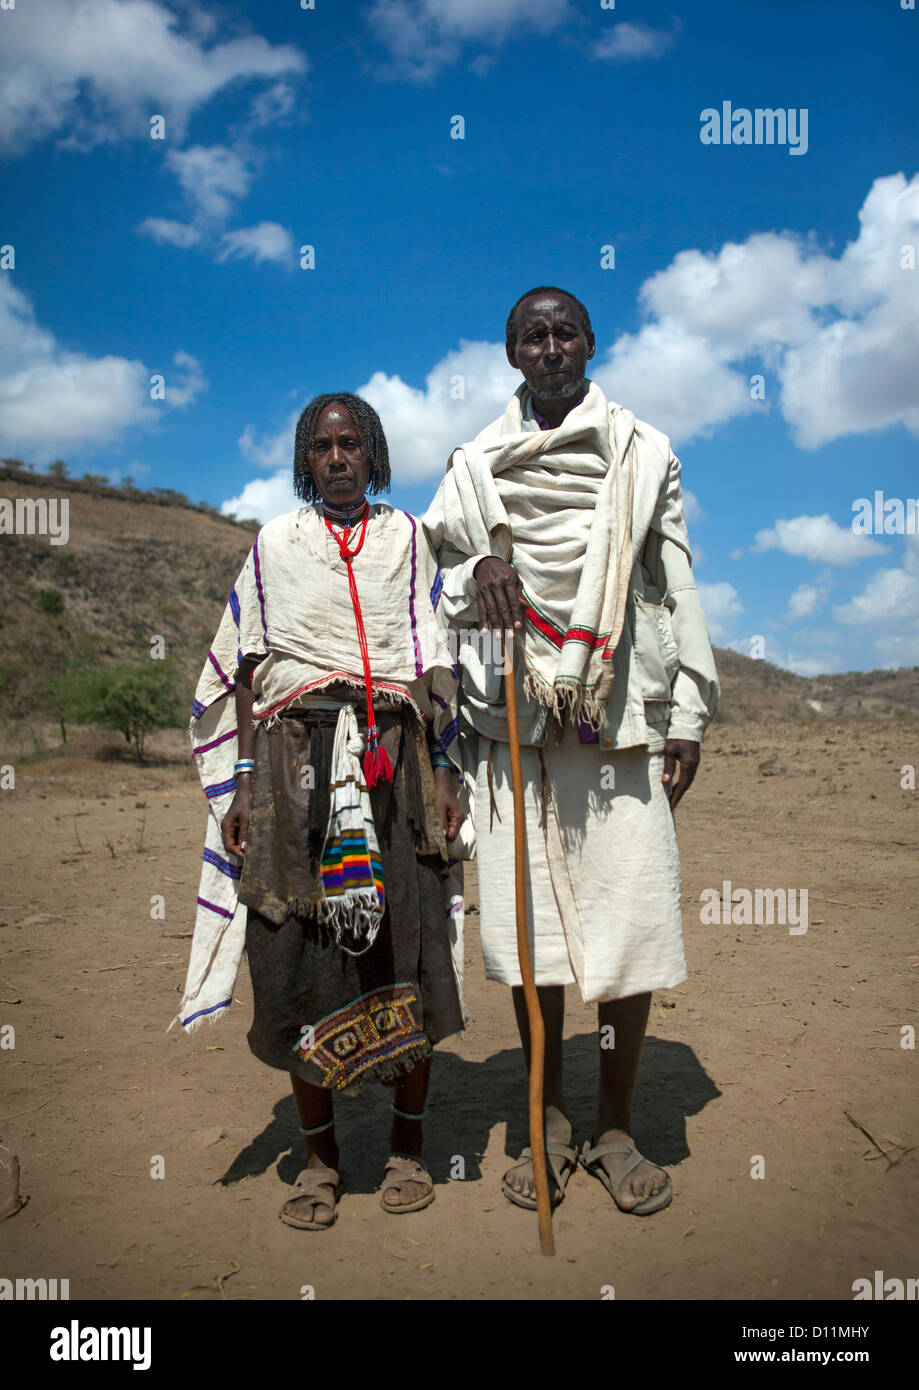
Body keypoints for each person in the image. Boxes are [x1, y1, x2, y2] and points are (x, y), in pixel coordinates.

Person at [423, 287, 719, 1216]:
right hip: (511, 720)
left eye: (563, 333)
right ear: (511, 353)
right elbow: (433, 573)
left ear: (589, 344)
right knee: (530, 931)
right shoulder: (472, 465)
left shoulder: (642, 452)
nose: (549, 348)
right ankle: (548, 1124)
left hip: (616, 712)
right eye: (531, 336)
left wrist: (688, 711)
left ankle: (616, 1128)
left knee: (627, 919)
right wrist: (479, 567)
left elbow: (672, 582)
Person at [171, 393, 466, 1229]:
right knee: (293, 949)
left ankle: (407, 1149)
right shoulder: (276, 544)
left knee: (407, 943)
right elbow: (244, 669)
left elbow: (433, 663)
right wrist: (239, 781)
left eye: (351, 443)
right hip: (290, 765)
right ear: (306, 461)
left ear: (373, 454)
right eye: (322, 446)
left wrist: (445, 768)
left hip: (394, 762)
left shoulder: (406, 540)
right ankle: (320, 1162)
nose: (337, 457)